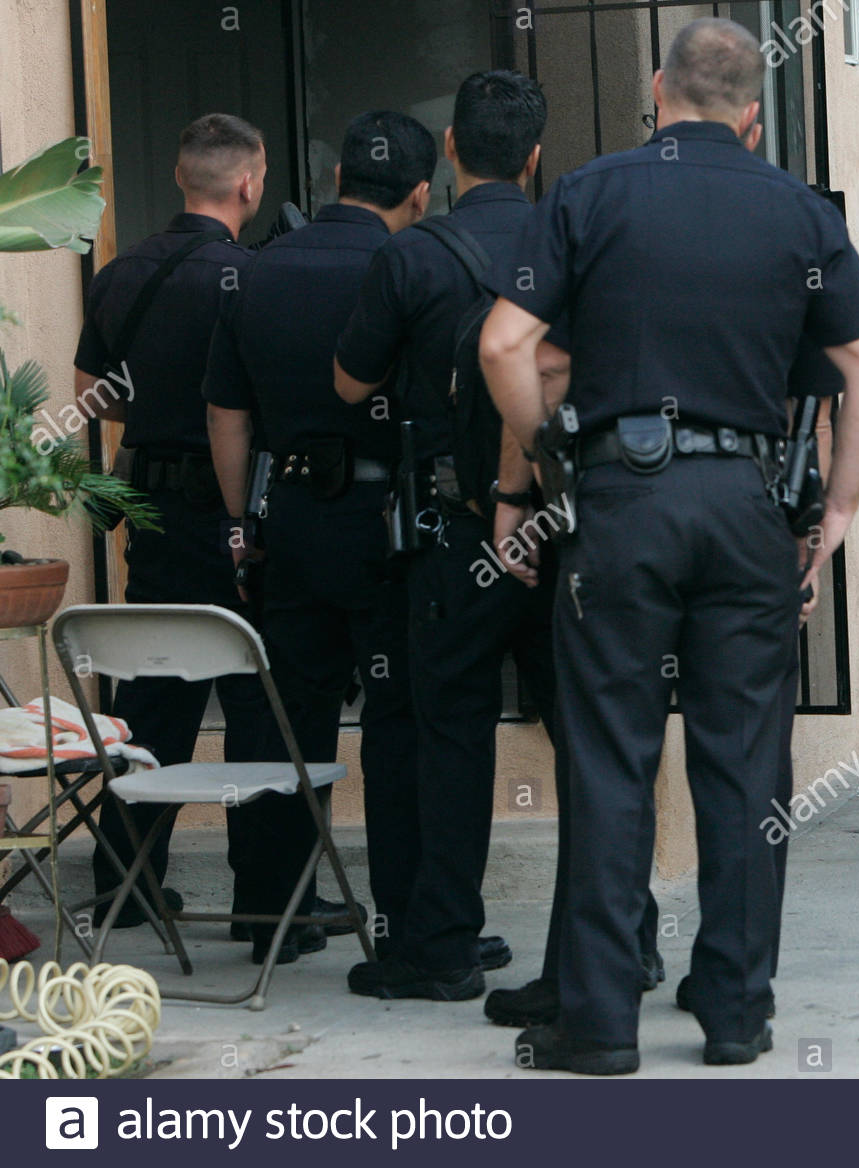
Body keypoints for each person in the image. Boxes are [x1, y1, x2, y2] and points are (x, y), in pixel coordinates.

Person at [481, 17, 859, 1074]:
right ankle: (735, 1010)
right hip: (750, 508)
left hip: (623, 501)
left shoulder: (588, 192)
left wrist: (545, 459)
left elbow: (503, 343)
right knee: (747, 766)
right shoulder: (797, 211)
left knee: (610, 757)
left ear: (655, 91)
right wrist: (835, 513)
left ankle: (601, 1021)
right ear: (752, 115)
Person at [334, 71, 617, 1002]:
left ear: (448, 150)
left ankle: (440, 945)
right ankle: (619, 943)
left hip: (454, 532)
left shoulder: (411, 258)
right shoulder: (579, 244)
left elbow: (349, 383)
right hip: (566, 525)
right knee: (590, 739)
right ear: (536, 157)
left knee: (443, 735)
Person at [203, 111, 437, 964]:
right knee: (396, 720)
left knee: (283, 721)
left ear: (336, 177)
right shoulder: (408, 264)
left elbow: (226, 414)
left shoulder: (257, 270)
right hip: (388, 524)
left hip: (291, 520)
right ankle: (403, 922)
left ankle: (274, 913)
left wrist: (242, 523)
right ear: (421, 191)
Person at [73, 113, 271, 931]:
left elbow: (94, 387)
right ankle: (266, 900)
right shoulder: (251, 276)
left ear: (183, 177)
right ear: (249, 184)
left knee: (153, 689)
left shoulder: (123, 274)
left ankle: (125, 883)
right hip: (233, 511)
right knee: (256, 695)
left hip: (150, 503)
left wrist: (153, 410)